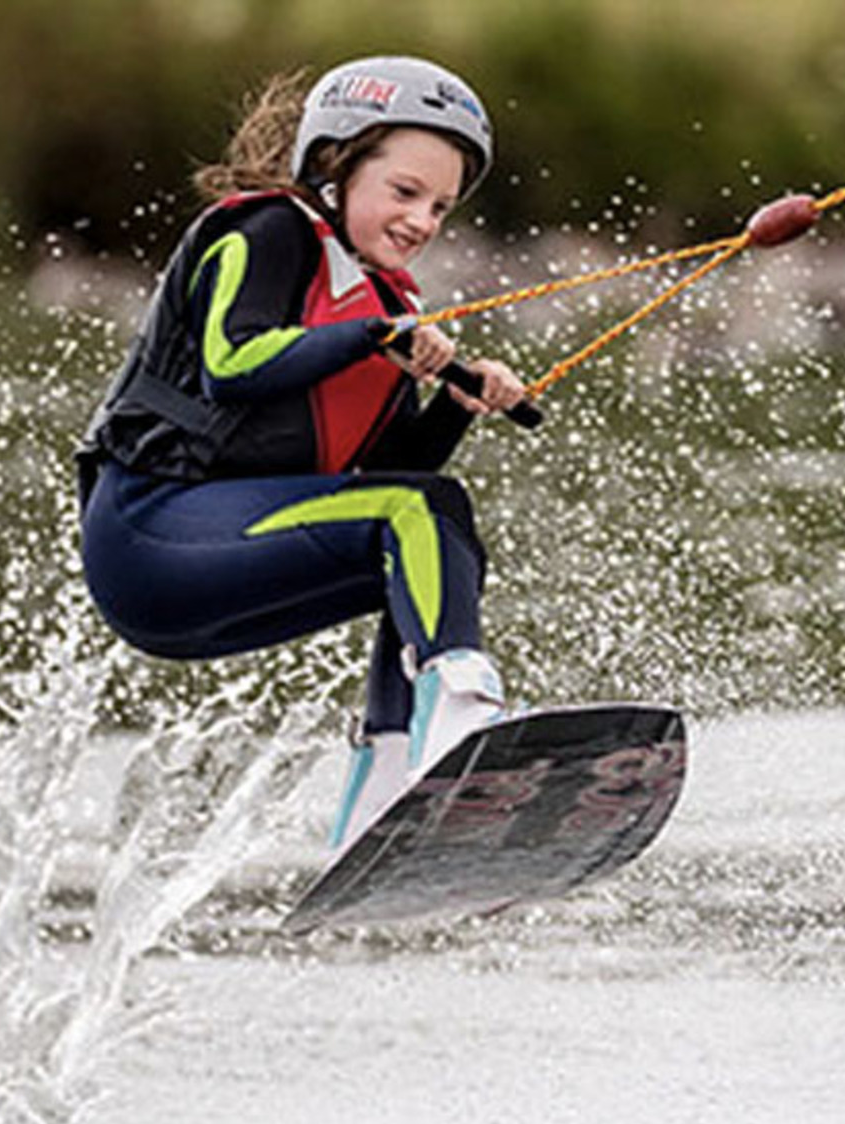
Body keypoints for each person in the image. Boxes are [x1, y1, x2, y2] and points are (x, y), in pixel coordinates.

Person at [77, 56, 527, 851]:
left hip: (219, 570)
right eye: (404, 192)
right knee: (420, 517)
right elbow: (232, 363)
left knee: (433, 538)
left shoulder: (387, 307)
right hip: (149, 537)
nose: (423, 221)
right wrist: (372, 339)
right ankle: (462, 722)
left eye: (441, 208)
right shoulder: (268, 231)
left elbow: (387, 480)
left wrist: (454, 405)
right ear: (332, 166)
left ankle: (382, 793)